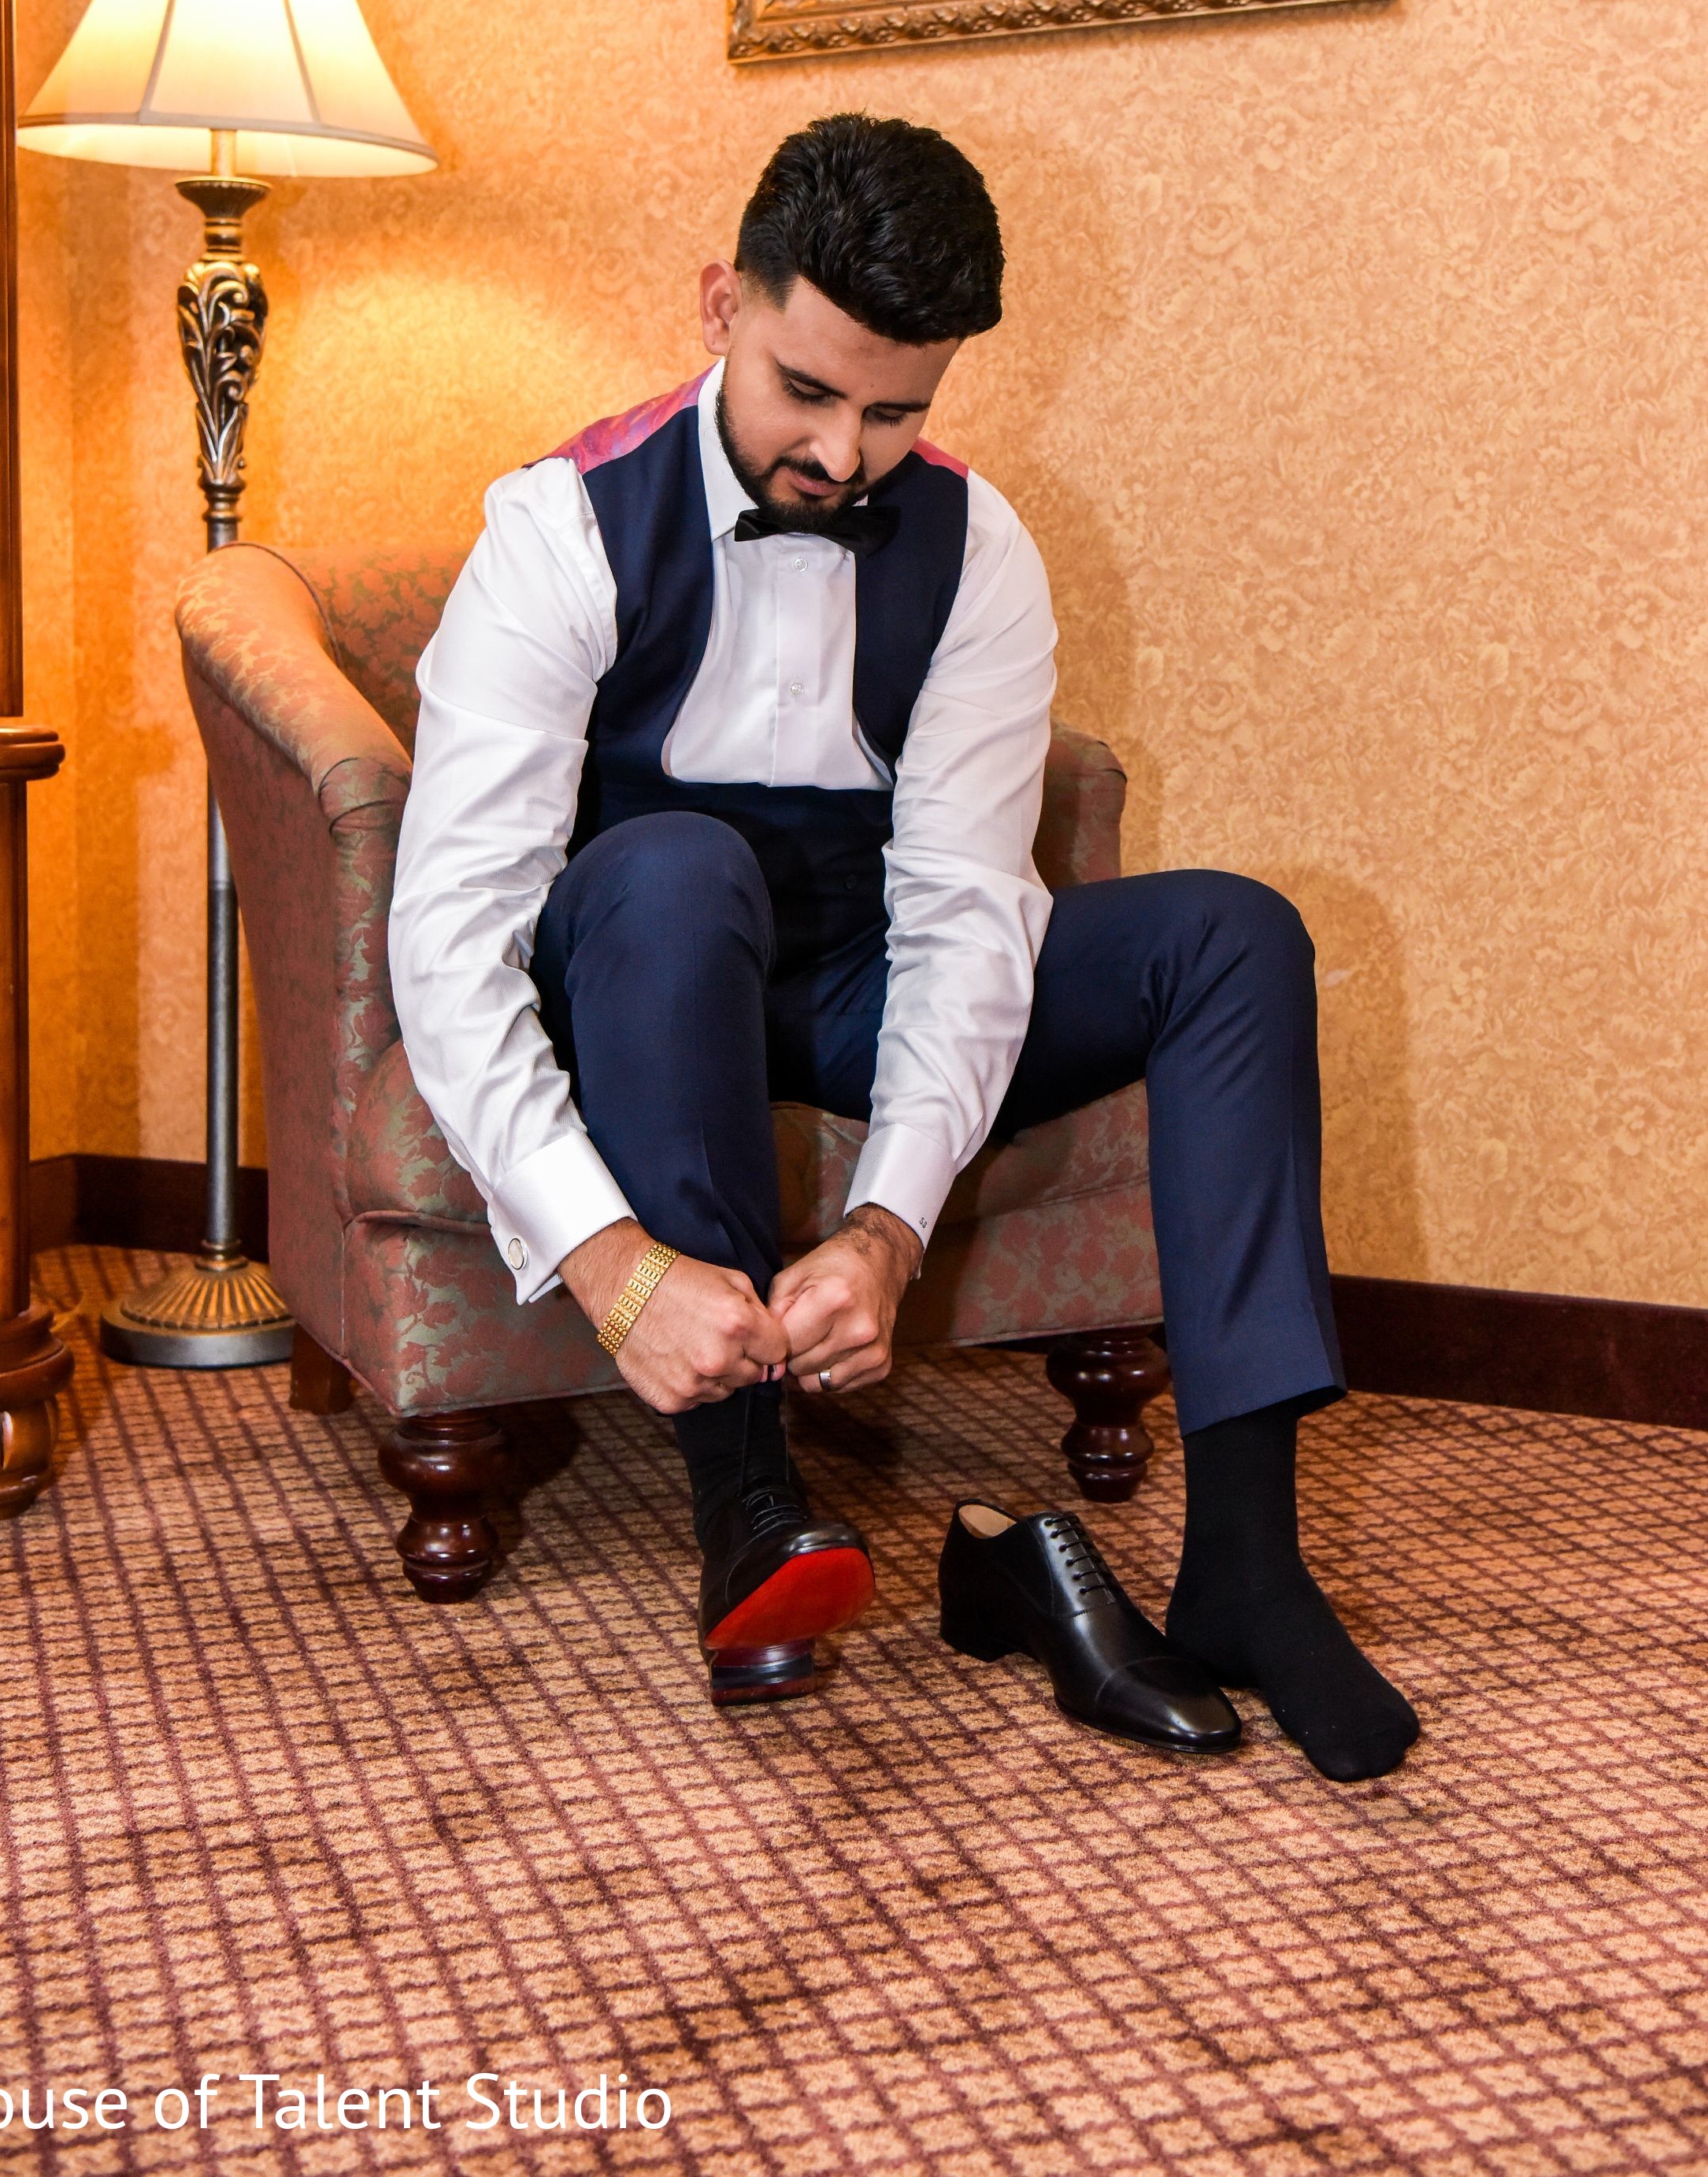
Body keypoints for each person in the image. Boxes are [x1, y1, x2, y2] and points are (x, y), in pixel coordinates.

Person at [388, 113, 1417, 1779]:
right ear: (721, 301)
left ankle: (1248, 1562)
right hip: (648, 978)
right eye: (808, 389)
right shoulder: (560, 529)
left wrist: (887, 1224)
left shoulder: (977, 549)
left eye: (895, 410)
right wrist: (603, 1259)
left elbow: (963, 909)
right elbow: (448, 935)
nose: (842, 454)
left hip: (864, 977)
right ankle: (751, 1506)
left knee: (1233, 934)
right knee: (666, 868)